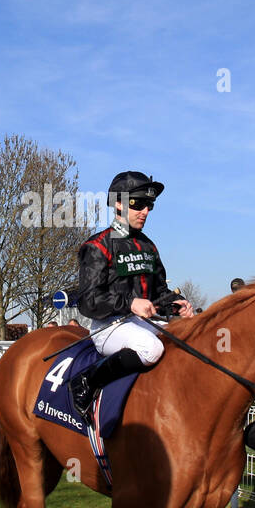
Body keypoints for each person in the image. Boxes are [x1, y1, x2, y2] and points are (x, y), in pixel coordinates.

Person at [69, 171, 194, 418]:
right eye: (137, 204)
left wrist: (176, 305)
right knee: (152, 349)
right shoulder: (97, 246)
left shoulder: (149, 246)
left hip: (145, 324)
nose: (144, 211)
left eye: (149, 205)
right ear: (118, 203)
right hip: (108, 326)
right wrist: (130, 304)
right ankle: (86, 381)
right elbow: (87, 301)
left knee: (190, 340)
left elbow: (159, 292)